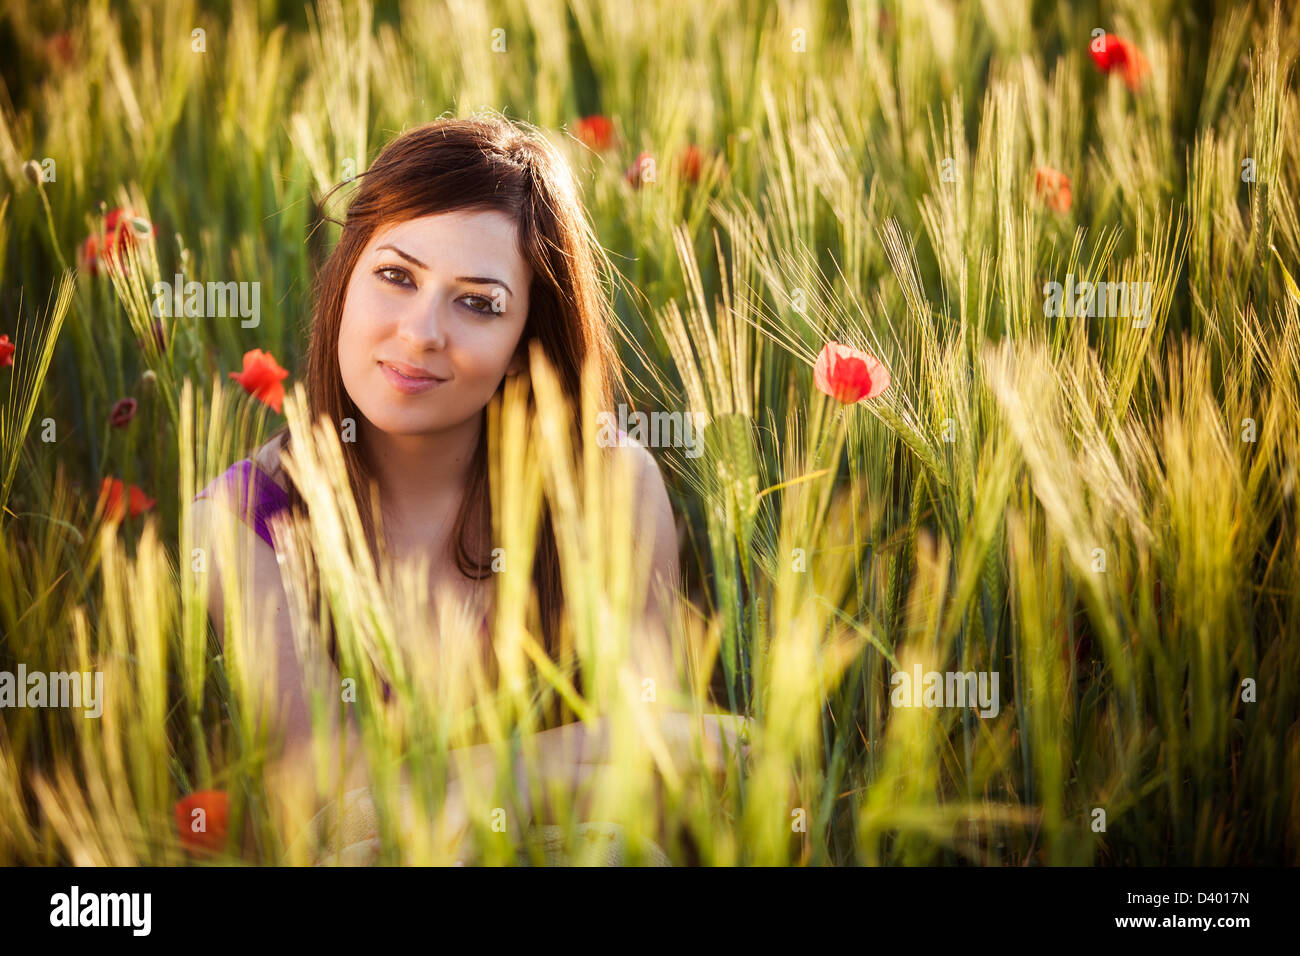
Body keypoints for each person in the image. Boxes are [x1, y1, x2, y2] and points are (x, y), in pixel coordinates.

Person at [189, 113, 750, 863]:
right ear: (345, 280)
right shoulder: (243, 521)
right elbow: (320, 799)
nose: (421, 331)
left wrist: (419, 795)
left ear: (524, 345)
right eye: (396, 276)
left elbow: (664, 780)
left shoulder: (609, 483)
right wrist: (542, 766)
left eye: (478, 302)